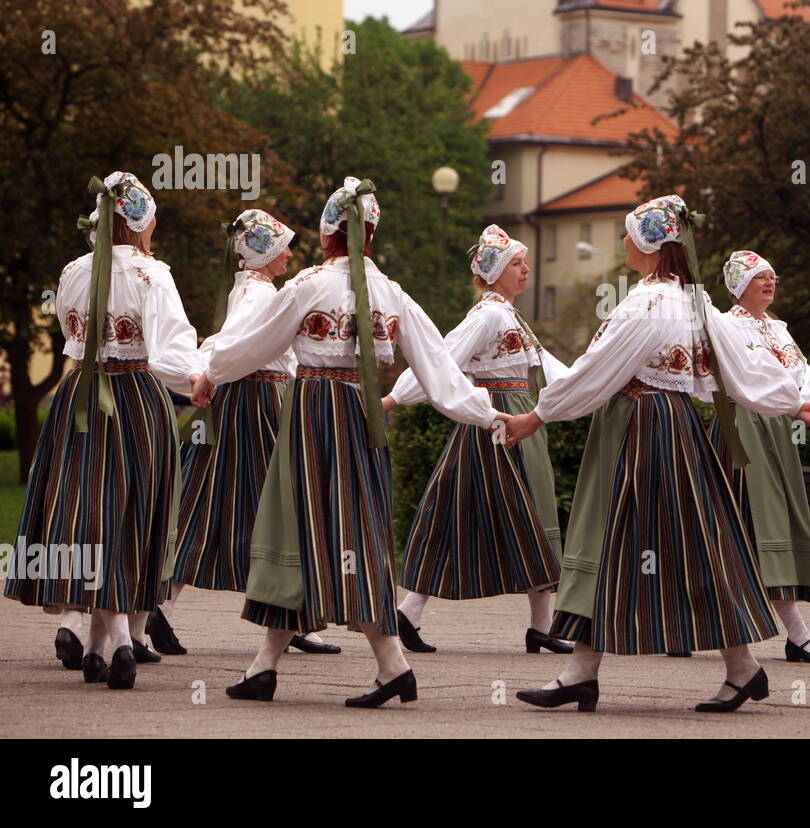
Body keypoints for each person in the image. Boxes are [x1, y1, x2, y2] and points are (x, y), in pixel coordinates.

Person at [193, 178, 510, 706]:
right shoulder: (392, 292)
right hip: (362, 416)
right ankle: (264, 665)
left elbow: (252, 345)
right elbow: (439, 370)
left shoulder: (307, 285)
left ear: (327, 234)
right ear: (371, 234)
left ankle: (392, 664)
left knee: (329, 531)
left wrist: (211, 372)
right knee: (333, 530)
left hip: (313, 410)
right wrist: (488, 414)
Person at [504, 195, 810, 712]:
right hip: (671, 426)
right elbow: (745, 368)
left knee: (618, 539)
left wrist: (536, 415)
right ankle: (600, 670)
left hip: (639, 427)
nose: (623, 242)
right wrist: (799, 403)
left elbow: (594, 370)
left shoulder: (648, 303)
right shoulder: (694, 301)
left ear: (650, 243)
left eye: (629, 234)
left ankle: (592, 672)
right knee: (684, 545)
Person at [5, 172, 204, 689]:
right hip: (135, 397)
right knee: (131, 510)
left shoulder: (72, 271)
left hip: (78, 396)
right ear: (141, 223)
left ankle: (98, 640)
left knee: (86, 511)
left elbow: (73, 343)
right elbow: (168, 352)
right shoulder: (151, 274)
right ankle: (119, 636)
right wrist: (200, 378)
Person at [148, 209, 337, 657]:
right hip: (260, 403)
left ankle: (165, 606)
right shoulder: (258, 295)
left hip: (247, 402)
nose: (290, 253)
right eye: (282, 246)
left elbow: (225, 344)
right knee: (287, 504)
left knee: (214, 501)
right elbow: (232, 344)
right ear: (265, 252)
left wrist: (209, 374)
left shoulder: (253, 289)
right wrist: (206, 374)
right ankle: (297, 621)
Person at [382, 225, 572, 655]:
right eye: (517, 264)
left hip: (516, 412)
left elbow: (549, 366)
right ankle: (410, 610)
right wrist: (393, 399)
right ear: (496, 272)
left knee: (512, 511)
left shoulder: (510, 315)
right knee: (471, 511)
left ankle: (539, 624)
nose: (526, 270)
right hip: (496, 420)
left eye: (523, 263)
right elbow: (441, 363)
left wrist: (586, 391)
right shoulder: (488, 315)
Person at [707, 249, 810, 663]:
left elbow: (803, 376)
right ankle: (796, 633)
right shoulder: (728, 326)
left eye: (772, 277)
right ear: (737, 287)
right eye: (760, 276)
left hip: (777, 427)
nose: (770, 282)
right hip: (741, 423)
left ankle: (783, 631)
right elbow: (745, 379)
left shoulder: (778, 329)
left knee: (760, 520)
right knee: (750, 519)